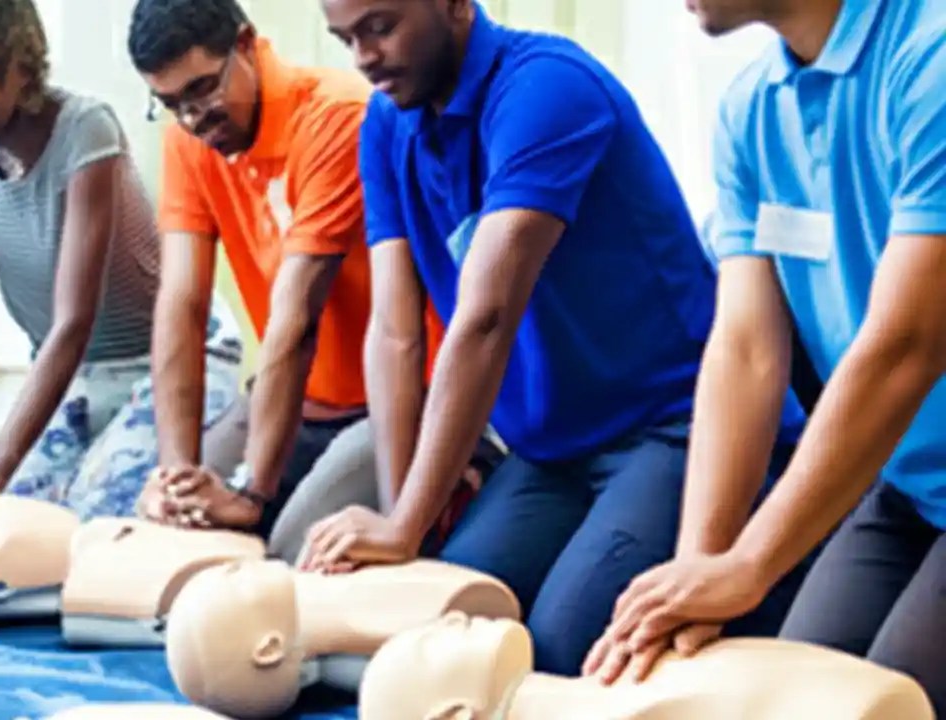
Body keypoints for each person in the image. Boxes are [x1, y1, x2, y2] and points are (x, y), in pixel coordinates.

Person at [305, 0, 809, 676]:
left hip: (670, 428)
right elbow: (396, 333)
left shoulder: (548, 87)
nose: (364, 58)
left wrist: (401, 527)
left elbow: (486, 315)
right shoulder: (386, 125)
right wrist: (407, 527)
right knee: (446, 621)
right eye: (346, 39)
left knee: (562, 645)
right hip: (550, 453)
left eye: (381, 27)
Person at [586, 0, 946, 712]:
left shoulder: (929, 59)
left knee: (881, 703)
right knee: (770, 694)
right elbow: (746, 351)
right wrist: (700, 566)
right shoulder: (750, 108)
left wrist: (751, 565)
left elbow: (909, 344)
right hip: (905, 479)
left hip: (904, 444)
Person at [119, 0, 450, 560]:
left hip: (389, 403)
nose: (194, 117)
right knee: (166, 532)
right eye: (171, 104)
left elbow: (297, 317)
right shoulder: (189, 138)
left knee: (287, 550)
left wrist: (253, 491)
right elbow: (181, 305)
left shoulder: (337, 116)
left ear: (247, 46)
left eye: (203, 90)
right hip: (299, 403)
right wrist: (177, 474)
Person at [0, 0, 243, 518]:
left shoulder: (85, 130)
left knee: (92, 514)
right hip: (77, 379)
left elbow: (73, 321)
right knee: (3, 516)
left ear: (21, 68)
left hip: (169, 365)